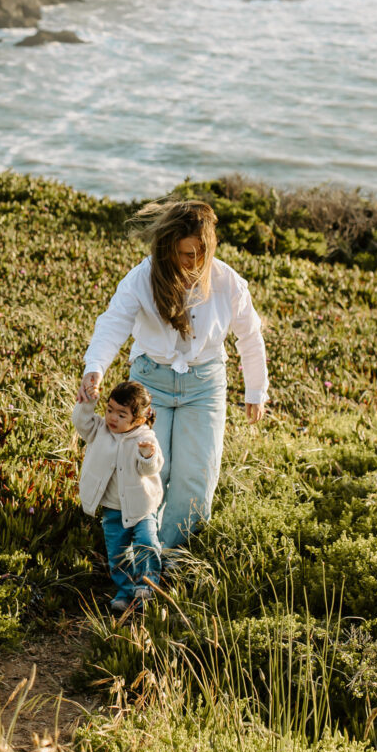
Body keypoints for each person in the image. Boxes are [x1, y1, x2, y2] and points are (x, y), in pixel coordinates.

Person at [80, 197, 267, 550]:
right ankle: (138, 549)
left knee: (195, 478)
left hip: (204, 385)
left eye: (197, 254)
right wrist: (95, 368)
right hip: (151, 382)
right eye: (183, 253)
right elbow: (114, 323)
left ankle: (168, 556)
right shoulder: (143, 276)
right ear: (167, 248)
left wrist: (256, 391)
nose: (190, 262)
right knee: (150, 468)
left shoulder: (228, 282)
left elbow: (250, 336)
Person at [74, 379, 164, 613]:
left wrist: (147, 455)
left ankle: (146, 587)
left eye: (121, 415)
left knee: (147, 543)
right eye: (110, 410)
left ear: (139, 420)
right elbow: (81, 423)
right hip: (113, 508)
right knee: (118, 555)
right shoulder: (100, 429)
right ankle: (125, 593)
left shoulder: (146, 438)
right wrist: (88, 402)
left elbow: (150, 469)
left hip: (142, 506)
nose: (112, 418)